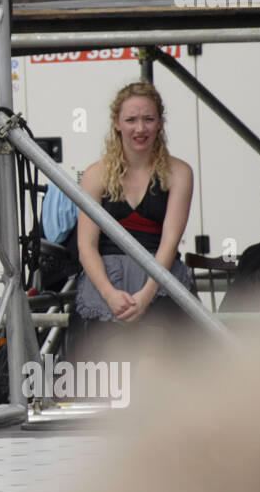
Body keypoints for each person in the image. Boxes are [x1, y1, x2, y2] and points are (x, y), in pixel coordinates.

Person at [71, 81, 196, 358]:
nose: (140, 129)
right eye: (131, 120)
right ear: (116, 123)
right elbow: (86, 246)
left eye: (148, 119)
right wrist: (109, 294)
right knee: (109, 361)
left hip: (159, 278)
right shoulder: (95, 175)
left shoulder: (179, 172)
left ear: (160, 123)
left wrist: (147, 295)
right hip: (106, 279)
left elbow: (170, 241)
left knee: (160, 356)